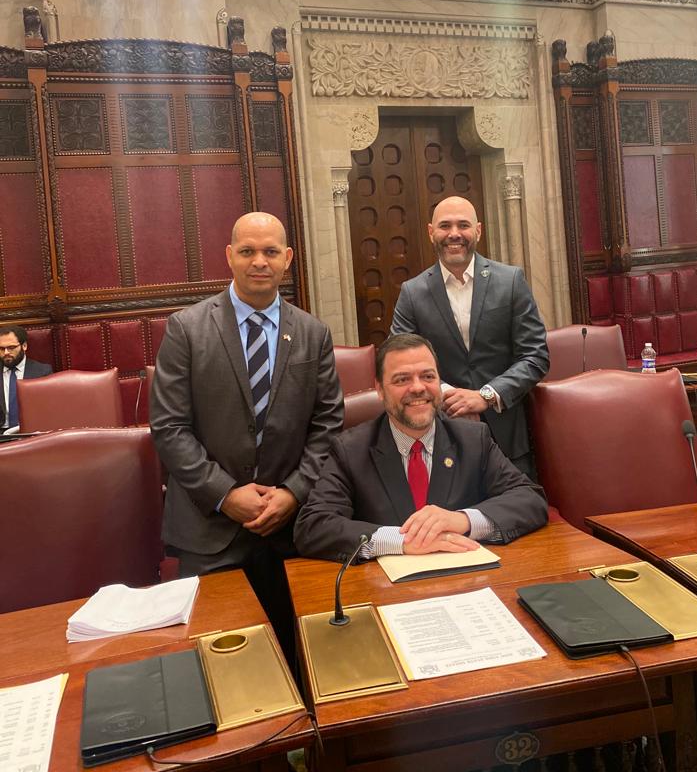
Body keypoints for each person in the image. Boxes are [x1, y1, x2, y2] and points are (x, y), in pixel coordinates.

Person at [150, 212, 344, 657]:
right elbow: (169, 427)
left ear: (288, 259)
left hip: (291, 527)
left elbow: (328, 424)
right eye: (248, 251)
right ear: (229, 257)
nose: (260, 261)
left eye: (271, 251)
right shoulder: (187, 329)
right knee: (219, 657)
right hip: (209, 527)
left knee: (307, 653)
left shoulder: (313, 334)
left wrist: (293, 493)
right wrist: (226, 494)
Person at [294, 334, 548, 562]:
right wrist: (400, 541)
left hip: (467, 581)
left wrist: (462, 520)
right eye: (402, 379)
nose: (417, 388)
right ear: (380, 390)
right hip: (386, 591)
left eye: (428, 376)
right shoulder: (351, 449)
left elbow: (530, 499)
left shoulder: (472, 439)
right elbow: (313, 526)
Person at [390, 196, 548, 478]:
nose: (454, 234)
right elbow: (399, 364)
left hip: (508, 438)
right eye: (445, 226)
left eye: (463, 225)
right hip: (440, 437)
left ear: (478, 230)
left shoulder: (510, 281)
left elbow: (535, 355)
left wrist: (486, 396)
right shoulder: (411, 294)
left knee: (521, 516)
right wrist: (451, 397)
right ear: (431, 232)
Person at [0, 325, 52, 434]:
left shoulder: (42, 372)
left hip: (31, 433)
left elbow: (48, 409)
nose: (6, 353)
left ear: (24, 346)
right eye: (1, 349)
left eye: (11, 348)